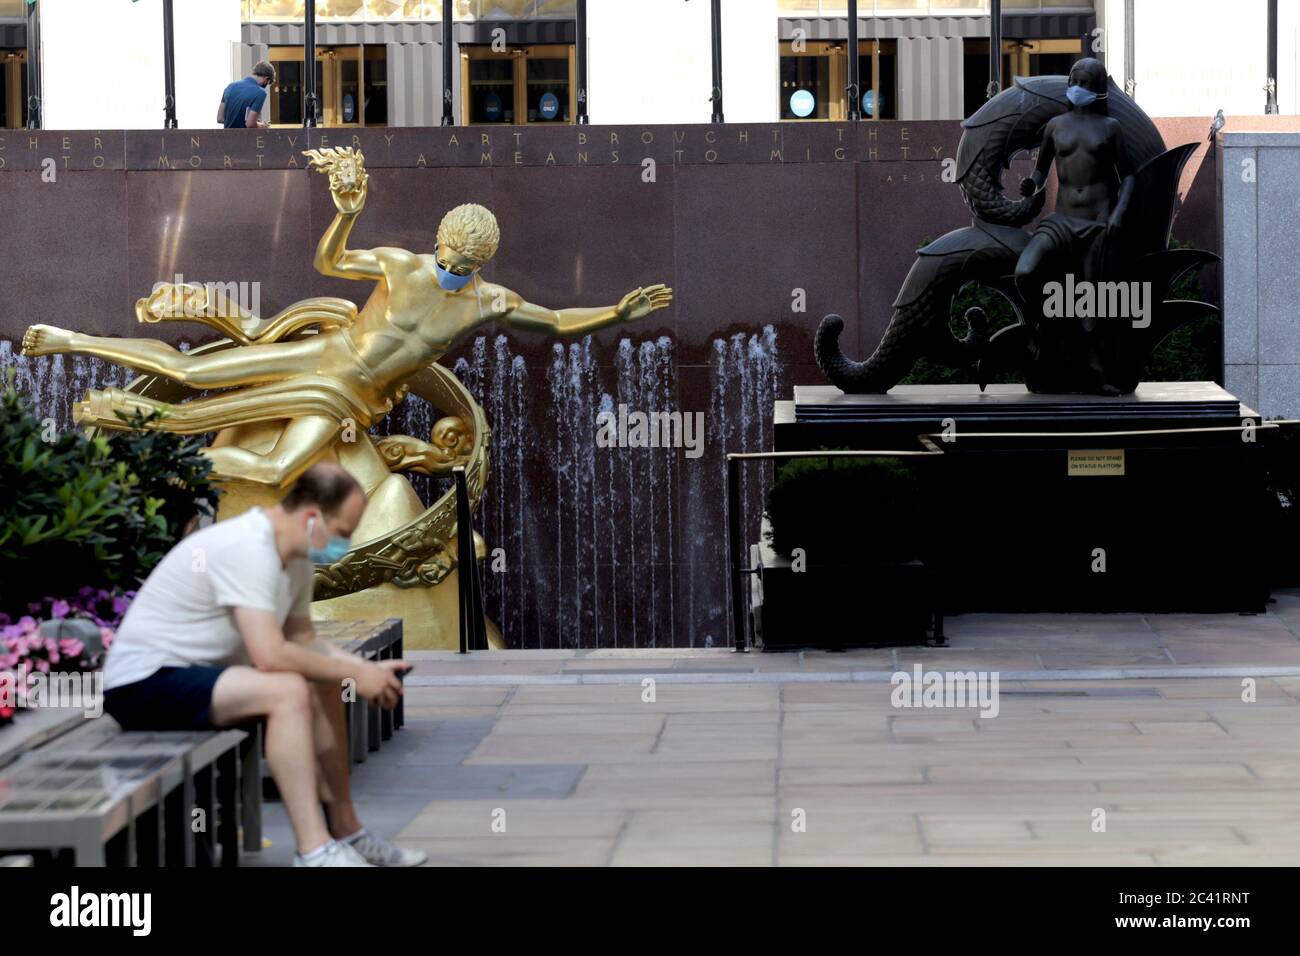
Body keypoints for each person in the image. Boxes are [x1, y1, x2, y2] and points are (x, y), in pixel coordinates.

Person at [102, 462, 425, 868]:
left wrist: (364, 669)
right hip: (144, 684)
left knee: (321, 681)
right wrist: (356, 673)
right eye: (343, 532)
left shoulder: (297, 555)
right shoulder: (249, 548)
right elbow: (270, 656)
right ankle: (314, 850)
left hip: (202, 676)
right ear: (311, 518)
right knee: (287, 689)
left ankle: (347, 830)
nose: (344, 543)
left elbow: (304, 640)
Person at [218, 61, 275, 129]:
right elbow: (250, 124)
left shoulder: (230, 87)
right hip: (244, 138)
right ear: (266, 79)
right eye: (267, 83)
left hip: (226, 137)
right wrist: (262, 125)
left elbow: (220, 118)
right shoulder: (260, 92)